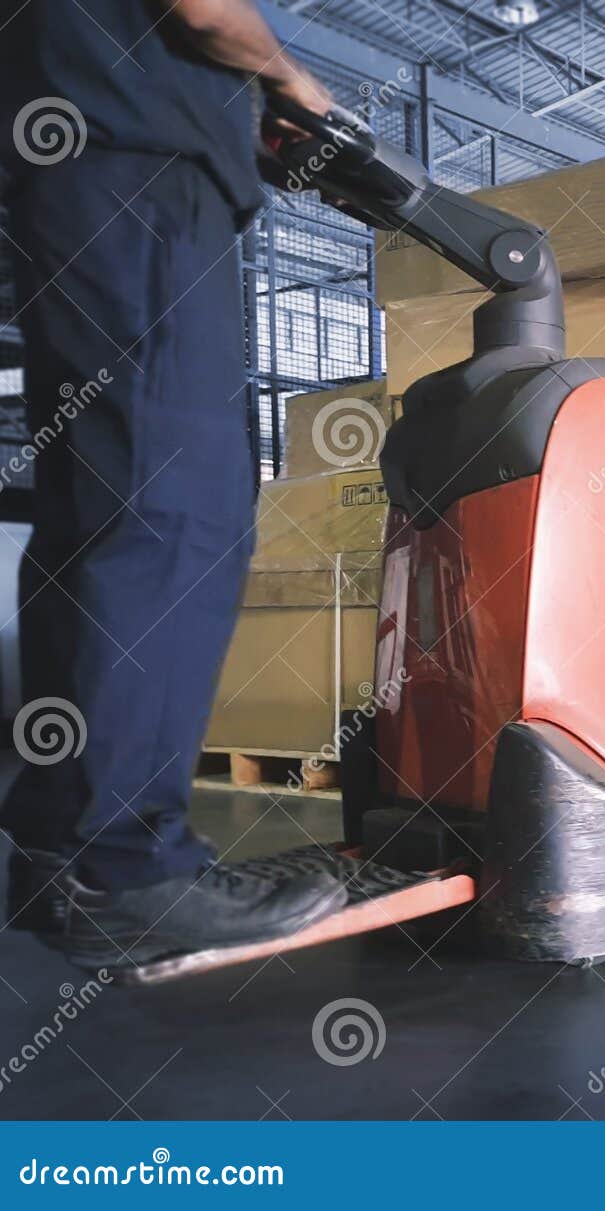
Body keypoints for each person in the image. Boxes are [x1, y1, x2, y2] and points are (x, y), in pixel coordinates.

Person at [0, 1, 351, 970]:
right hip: (143, 177)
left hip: (81, 169)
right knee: (174, 509)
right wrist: (288, 79)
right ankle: (127, 868)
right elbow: (204, 10)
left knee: (93, 515)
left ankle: (58, 853)